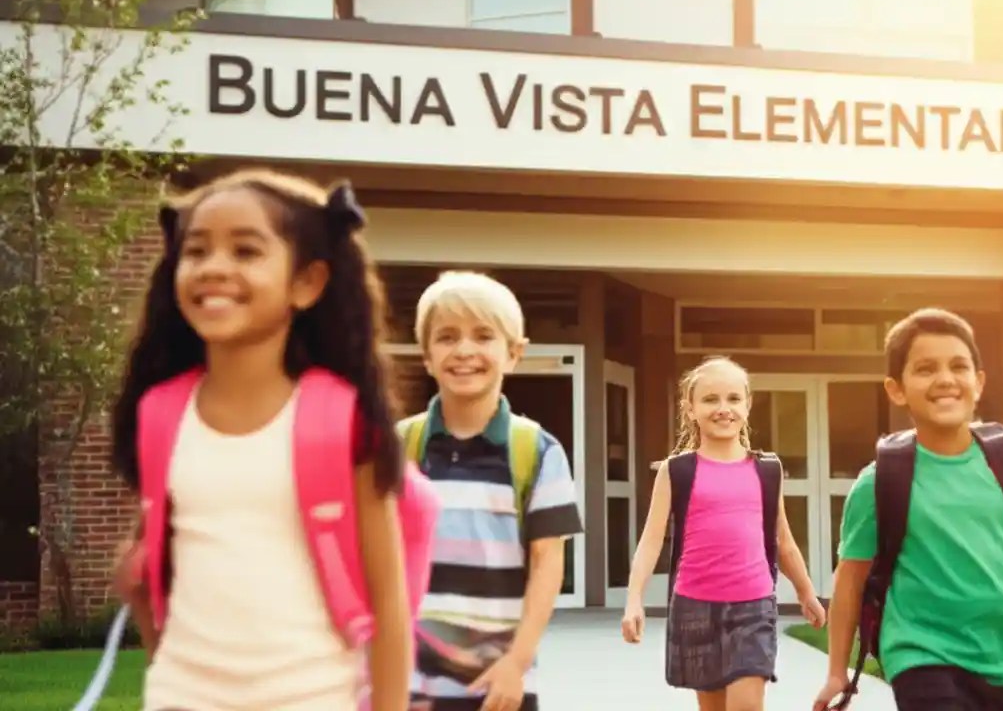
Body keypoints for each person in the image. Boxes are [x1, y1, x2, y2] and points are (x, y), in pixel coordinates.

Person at [107, 169, 413, 710]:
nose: (214, 268)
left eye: (246, 251)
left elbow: (390, 604)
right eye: (196, 251)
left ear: (307, 282)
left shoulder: (338, 418)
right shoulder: (160, 413)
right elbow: (158, 583)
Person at [814, 308, 1003, 711]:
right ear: (896, 389)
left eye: (958, 366)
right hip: (919, 653)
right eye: (926, 369)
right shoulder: (880, 480)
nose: (945, 379)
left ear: (978, 383)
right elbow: (850, 581)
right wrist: (837, 672)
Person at [405, 270, 584, 711]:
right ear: (426, 356)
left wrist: (516, 663)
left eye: (483, 336)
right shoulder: (398, 448)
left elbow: (547, 565)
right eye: (447, 337)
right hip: (408, 680)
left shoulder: (537, 451)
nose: (464, 350)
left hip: (498, 683)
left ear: (514, 353)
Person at [621, 355, 826, 711]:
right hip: (695, 607)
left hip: (754, 606)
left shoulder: (767, 469)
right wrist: (633, 599)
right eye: (710, 399)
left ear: (747, 405)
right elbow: (650, 541)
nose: (723, 408)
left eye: (733, 399)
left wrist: (807, 591)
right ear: (690, 408)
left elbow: (782, 540)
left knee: (747, 703)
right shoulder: (676, 471)